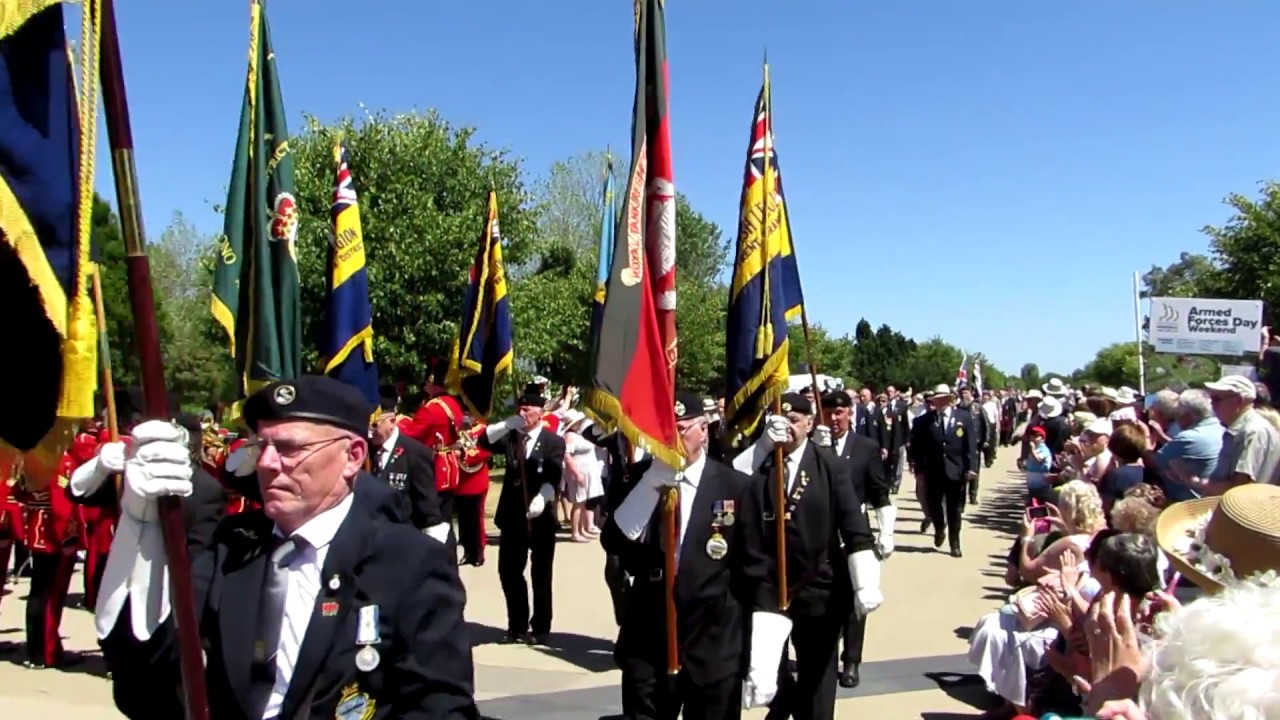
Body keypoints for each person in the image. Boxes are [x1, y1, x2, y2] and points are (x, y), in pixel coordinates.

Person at [73, 376, 477, 719]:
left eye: (289, 448)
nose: (266, 463)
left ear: (352, 457)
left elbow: (439, 704)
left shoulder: (408, 561)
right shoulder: (231, 548)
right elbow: (144, 669)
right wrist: (139, 523)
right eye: (260, 446)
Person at [734, 392, 883, 720]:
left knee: (818, 675)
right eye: (781, 421)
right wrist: (760, 447)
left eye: (795, 421)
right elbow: (733, 482)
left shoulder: (828, 465)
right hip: (768, 588)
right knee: (765, 669)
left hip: (819, 588)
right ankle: (785, 700)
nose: (788, 428)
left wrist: (865, 579)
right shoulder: (761, 463)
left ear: (809, 423)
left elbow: (854, 525)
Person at [605, 392, 753, 720]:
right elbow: (613, 541)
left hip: (712, 637)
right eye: (667, 429)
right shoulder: (638, 478)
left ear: (704, 431)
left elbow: (752, 567)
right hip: (649, 633)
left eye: (683, 428)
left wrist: (762, 646)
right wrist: (649, 486)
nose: (673, 437)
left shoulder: (735, 486)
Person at [476, 382, 566, 644]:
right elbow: (483, 440)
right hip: (513, 515)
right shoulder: (512, 436)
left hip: (541, 517)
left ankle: (540, 627)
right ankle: (516, 625)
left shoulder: (553, 441)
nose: (524, 412)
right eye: (521, 407)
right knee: (509, 571)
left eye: (529, 408)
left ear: (541, 412)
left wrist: (542, 498)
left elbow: (554, 475)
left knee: (540, 572)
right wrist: (506, 424)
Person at [818, 392, 887, 689]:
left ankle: (852, 660)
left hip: (855, 534)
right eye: (829, 412)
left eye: (840, 412)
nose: (834, 418)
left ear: (850, 413)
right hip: (821, 533)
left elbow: (878, 491)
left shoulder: (866, 448)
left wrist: (887, 530)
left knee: (857, 598)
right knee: (825, 598)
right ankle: (825, 655)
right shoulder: (814, 447)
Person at [909, 384, 980, 558]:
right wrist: (918, 468)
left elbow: (970, 445)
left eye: (943, 398)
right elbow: (916, 447)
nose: (940, 402)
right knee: (934, 505)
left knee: (954, 508)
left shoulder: (963, 417)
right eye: (937, 399)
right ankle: (939, 528)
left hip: (956, 470)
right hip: (932, 470)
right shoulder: (923, 421)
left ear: (950, 399)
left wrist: (971, 468)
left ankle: (954, 543)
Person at [369, 393, 449, 543]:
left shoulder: (415, 453)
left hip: (406, 541)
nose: (369, 432)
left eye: (375, 425)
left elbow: (428, 509)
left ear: (392, 422)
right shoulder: (367, 452)